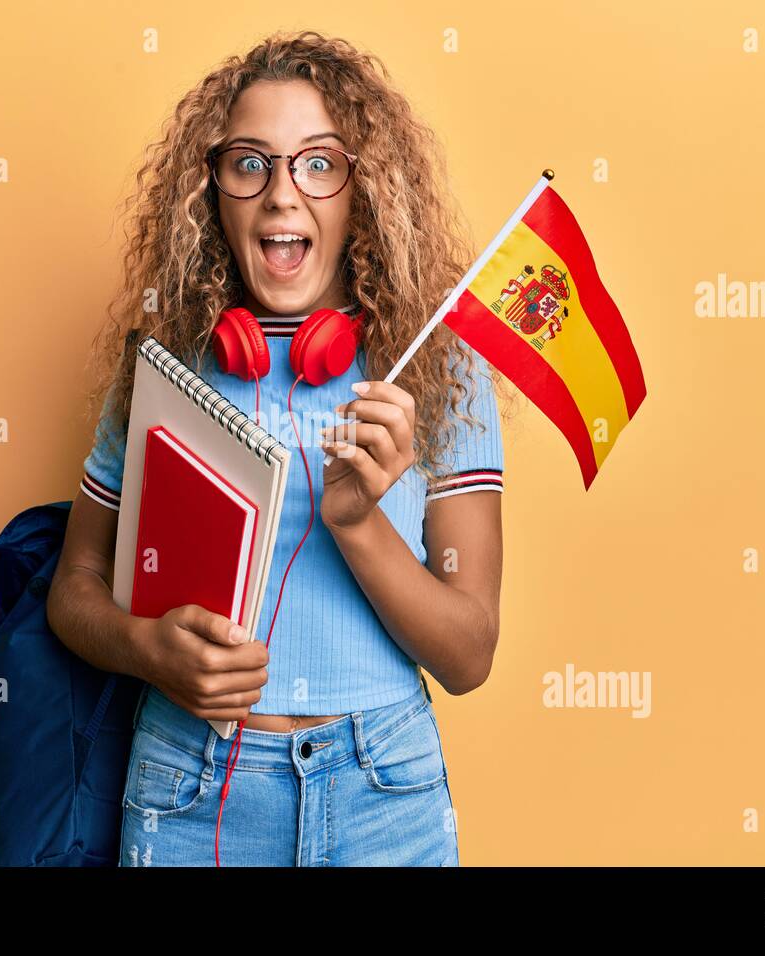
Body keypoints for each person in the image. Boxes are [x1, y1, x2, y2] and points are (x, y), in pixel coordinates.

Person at [46, 30, 507, 867]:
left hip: (384, 794)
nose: (282, 195)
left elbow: (469, 654)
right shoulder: (165, 364)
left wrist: (359, 523)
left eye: (319, 163)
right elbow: (73, 588)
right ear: (212, 189)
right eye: (250, 163)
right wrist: (146, 648)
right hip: (192, 783)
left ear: (361, 192)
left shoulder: (439, 371)